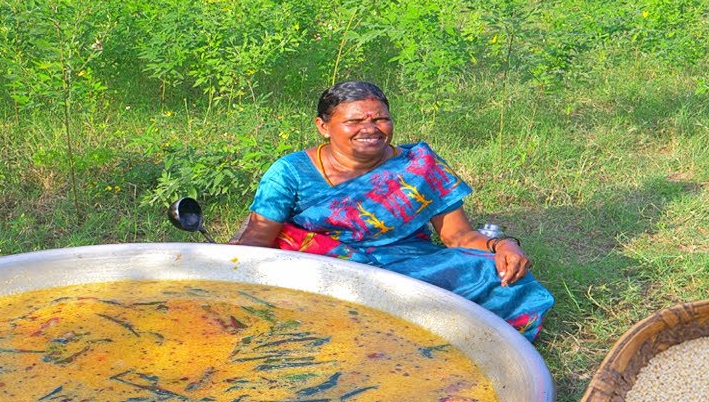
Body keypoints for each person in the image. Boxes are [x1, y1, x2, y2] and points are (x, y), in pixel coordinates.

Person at [232, 81, 554, 341]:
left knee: (499, 277)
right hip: (331, 271)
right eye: (354, 121)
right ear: (324, 126)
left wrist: (504, 245)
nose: (370, 128)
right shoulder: (290, 171)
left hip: (414, 266)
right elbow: (258, 239)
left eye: (380, 119)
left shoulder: (418, 165)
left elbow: (458, 235)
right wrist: (228, 286)